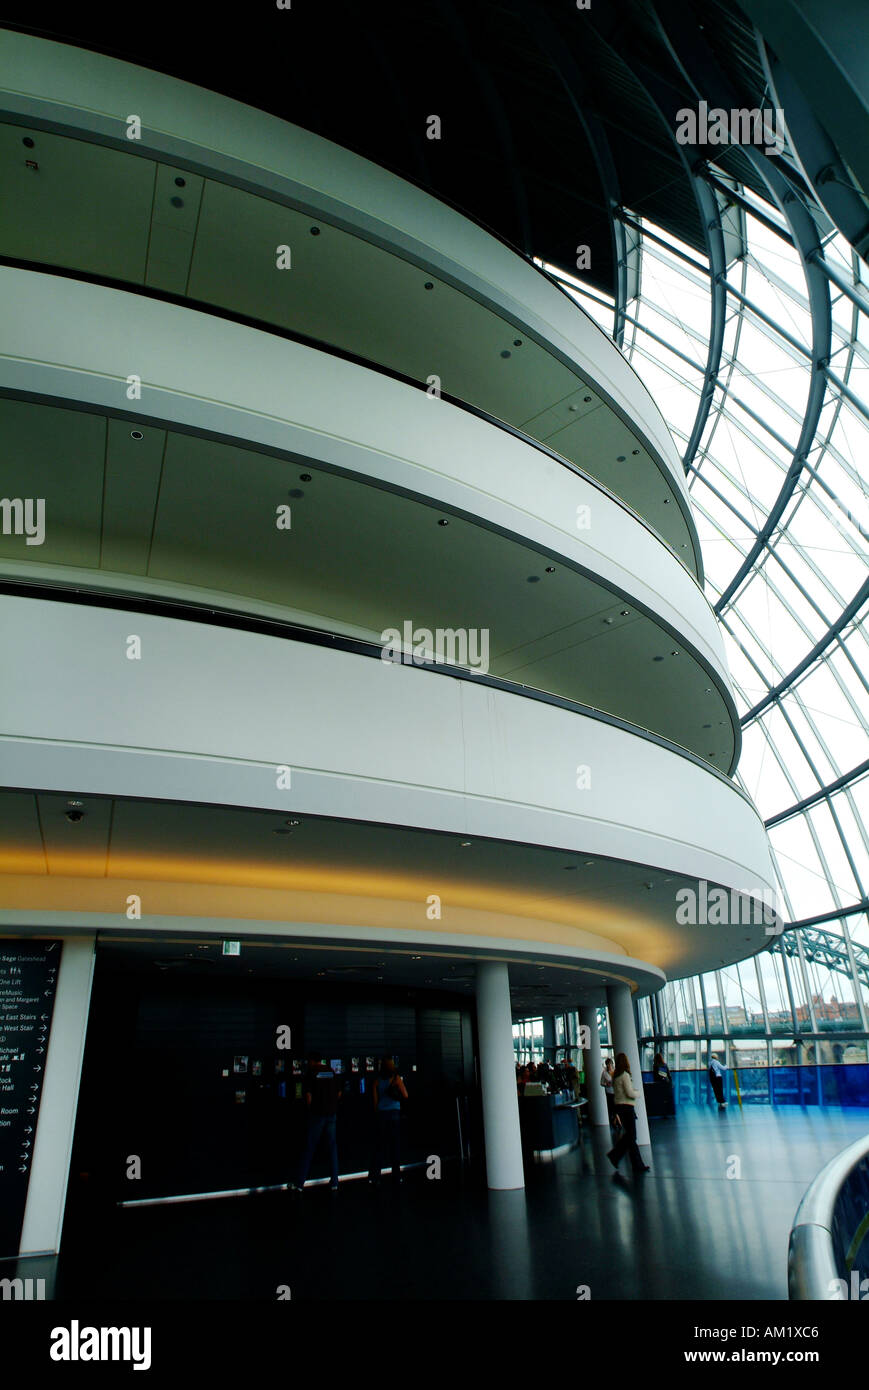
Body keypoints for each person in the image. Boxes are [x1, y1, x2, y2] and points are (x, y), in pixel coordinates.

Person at [292, 1054, 343, 1191]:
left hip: (318, 1114)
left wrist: (312, 1108)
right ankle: (335, 1182)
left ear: (312, 1061)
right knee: (332, 1147)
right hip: (331, 1114)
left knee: (309, 1147)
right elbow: (339, 1093)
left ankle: (299, 1183)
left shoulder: (312, 1073)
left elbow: (308, 1096)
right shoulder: (331, 1072)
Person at [606, 1053, 649, 1174]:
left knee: (630, 1137)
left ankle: (619, 1157)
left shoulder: (615, 1076)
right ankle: (620, 1158)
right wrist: (638, 1093)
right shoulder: (625, 1075)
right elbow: (630, 1093)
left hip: (620, 1107)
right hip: (628, 1107)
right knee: (631, 1137)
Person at [369, 1056, 407, 1186]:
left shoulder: (377, 1081)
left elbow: (375, 1103)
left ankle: (376, 1176)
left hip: (382, 1115)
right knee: (395, 1146)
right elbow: (406, 1095)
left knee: (379, 1146)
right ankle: (396, 1176)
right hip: (395, 1114)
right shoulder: (396, 1078)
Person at [600, 1056, 619, 1130]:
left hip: (616, 1091)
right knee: (612, 1107)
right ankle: (616, 1122)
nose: (609, 1065)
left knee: (616, 1107)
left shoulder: (615, 1072)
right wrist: (606, 1084)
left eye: (610, 1064)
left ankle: (615, 1121)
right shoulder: (604, 1073)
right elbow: (601, 1083)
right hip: (609, 1092)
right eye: (608, 1064)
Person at [653, 1051, 674, 1117]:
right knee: (666, 1098)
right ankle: (667, 1112)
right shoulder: (665, 1065)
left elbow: (655, 1076)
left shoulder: (655, 1066)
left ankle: (662, 1112)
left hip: (659, 1084)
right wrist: (670, 1083)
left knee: (660, 1099)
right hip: (666, 1083)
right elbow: (668, 1075)